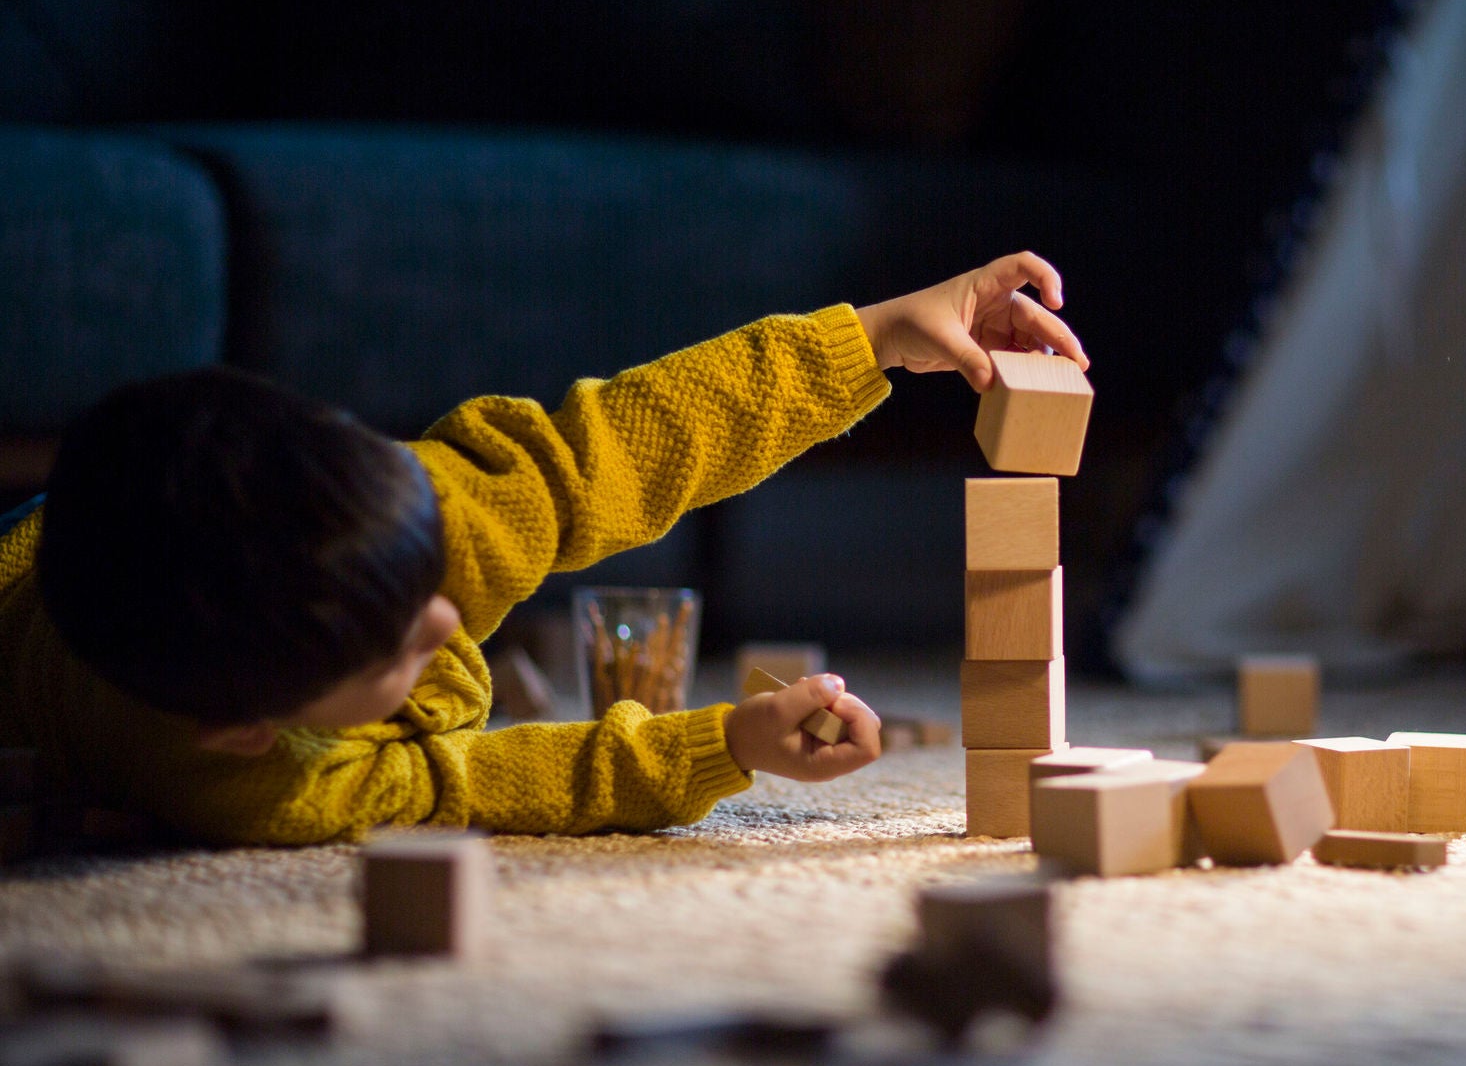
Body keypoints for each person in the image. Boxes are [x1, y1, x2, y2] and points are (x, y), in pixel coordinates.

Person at [0, 252, 1085, 846]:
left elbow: (626, 443)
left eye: (427, 587)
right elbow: (494, 779)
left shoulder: (421, 520)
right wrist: (724, 743)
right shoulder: (256, 788)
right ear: (253, 732)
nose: (444, 618)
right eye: (399, 652)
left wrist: (876, 337)